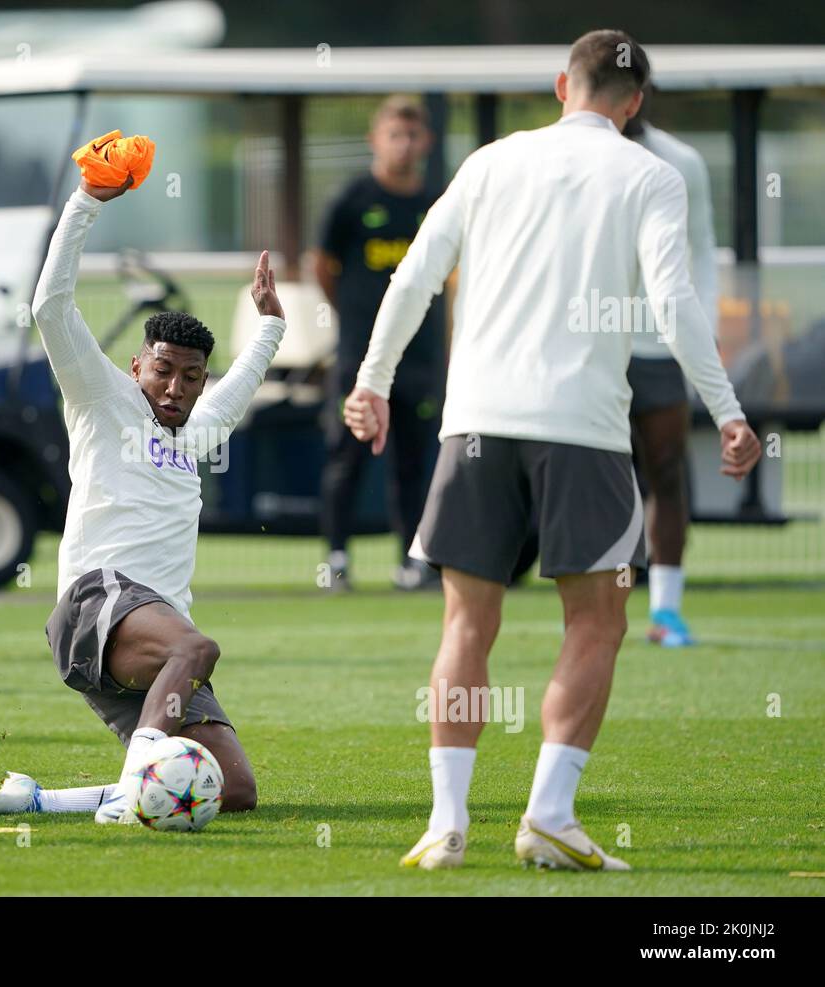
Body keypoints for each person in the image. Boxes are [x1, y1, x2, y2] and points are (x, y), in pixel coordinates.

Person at [345, 30, 761, 870]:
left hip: (475, 422)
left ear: (560, 85)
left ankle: (446, 823)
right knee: (598, 620)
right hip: (584, 431)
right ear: (635, 103)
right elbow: (676, 304)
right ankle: (547, 814)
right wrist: (727, 409)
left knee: (468, 621)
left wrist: (372, 381)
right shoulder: (653, 175)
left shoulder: (493, 160)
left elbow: (416, 273)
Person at [0, 140, 284, 823]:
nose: (175, 386)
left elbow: (244, 383)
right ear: (137, 364)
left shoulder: (196, 430)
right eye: (163, 368)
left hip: (149, 640)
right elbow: (51, 307)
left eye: (191, 375)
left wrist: (273, 321)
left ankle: (41, 800)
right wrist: (85, 204)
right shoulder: (102, 397)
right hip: (96, 603)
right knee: (200, 646)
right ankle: (141, 765)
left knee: (234, 791)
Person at [315, 97, 445, 592]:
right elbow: (323, 268)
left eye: (413, 136)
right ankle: (336, 560)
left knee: (413, 460)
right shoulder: (351, 201)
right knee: (345, 457)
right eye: (395, 135)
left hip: (420, 359)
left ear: (427, 143)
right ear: (375, 140)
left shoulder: (434, 205)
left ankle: (411, 562)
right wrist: (354, 320)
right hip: (358, 357)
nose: (404, 145)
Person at [623, 86, 720, 647]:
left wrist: (697, 327)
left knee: (666, 469)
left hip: (659, 347)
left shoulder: (682, 162)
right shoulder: (564, 159)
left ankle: (666, 612)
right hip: (588, 346)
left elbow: (700, 249)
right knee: (591, 475)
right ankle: (593, 610)